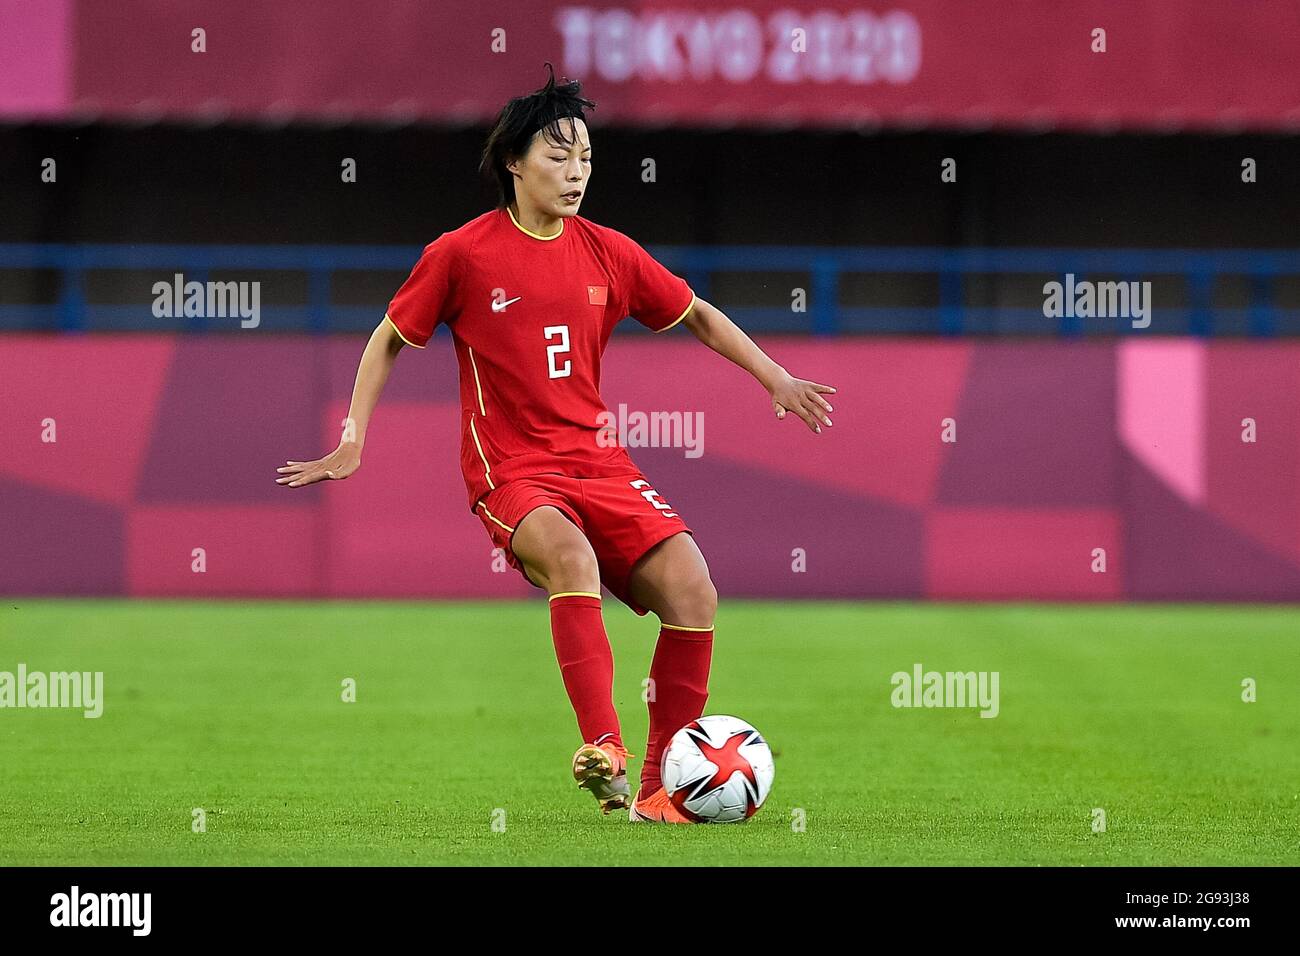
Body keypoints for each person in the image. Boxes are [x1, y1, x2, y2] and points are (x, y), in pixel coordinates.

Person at [277, 64, 835, 823]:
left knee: (694, 589)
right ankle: (603, 752)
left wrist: (774, 377)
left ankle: (660, 790)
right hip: (510, 470)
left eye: (586, 160)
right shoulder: (461, 254)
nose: (576, 174)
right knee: (571, 559)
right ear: (513, 161)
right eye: (557, 156)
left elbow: (696, 312)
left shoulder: (607, 251)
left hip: (598, 460)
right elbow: (388, 339)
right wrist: (352, 438)